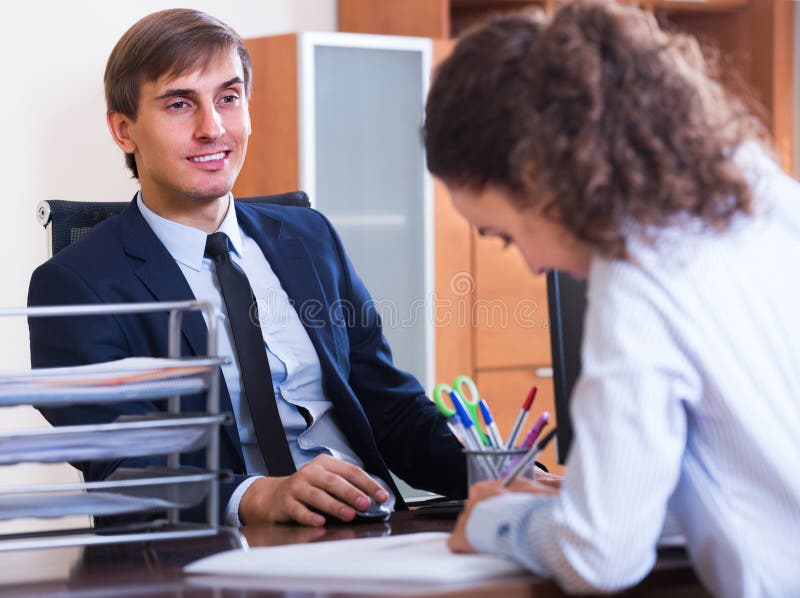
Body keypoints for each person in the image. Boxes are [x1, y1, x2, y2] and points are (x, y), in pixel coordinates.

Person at [28, 8, 465, 529]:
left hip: (366, 528)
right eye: (179, 104)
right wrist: (261, 497)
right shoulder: (74, 285)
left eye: (228, 98)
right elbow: (123, 467)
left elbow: (391, 408)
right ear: (124, 131)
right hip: (213, 548)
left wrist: (501, 476)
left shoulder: (310, 237)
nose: (212, 128)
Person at [423, 1, 800, 595]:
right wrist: (592, 497)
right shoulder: (757, 188)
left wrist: (495, 519)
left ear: (537, 174)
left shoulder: (637, 278)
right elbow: (753, 475)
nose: (532, 265)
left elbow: (598, 557)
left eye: (506, 235)